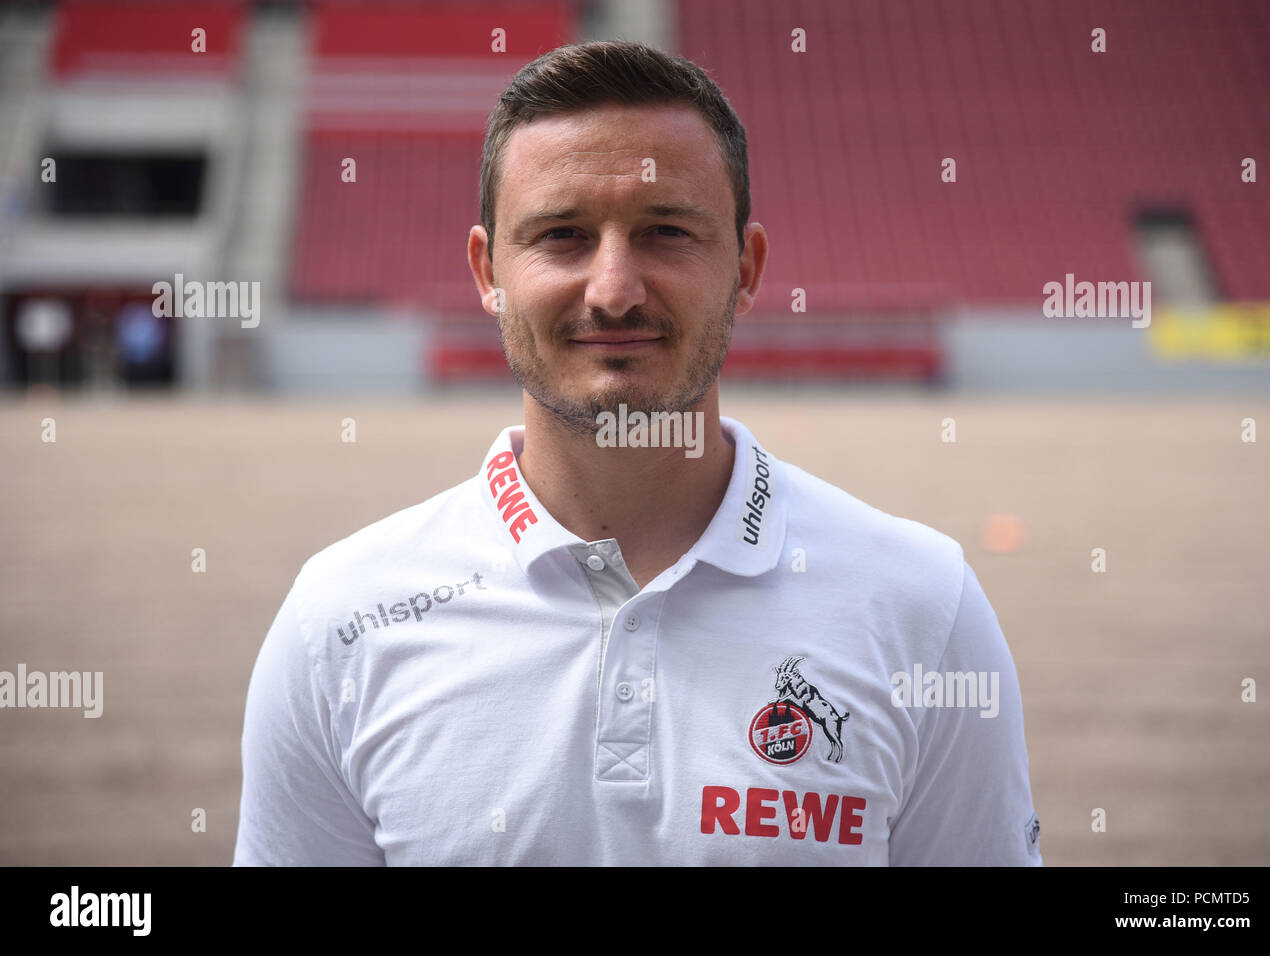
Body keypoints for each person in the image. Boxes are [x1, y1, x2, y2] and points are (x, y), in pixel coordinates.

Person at [234, 40, 1042, 866]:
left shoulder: (922, 607)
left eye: (666, 232)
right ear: (488, 272)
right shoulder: (339, 623)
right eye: (562, 235)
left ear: (747, 269)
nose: (614, 290)